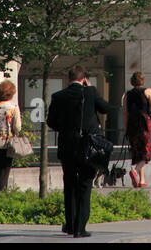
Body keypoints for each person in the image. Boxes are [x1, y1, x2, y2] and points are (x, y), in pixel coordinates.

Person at [47, 65, 109, 238]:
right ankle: (81, 227)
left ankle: (71, 225)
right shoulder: (90, 92)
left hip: (67, 146)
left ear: (68, 79)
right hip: (87, 146)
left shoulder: (58, 96)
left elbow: (51, 122)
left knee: (69, 185)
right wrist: (89, 88)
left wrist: (66, 129)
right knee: (85, 184)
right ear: (84, 79)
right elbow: (106, 108)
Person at [122, 71, 151, 189]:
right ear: (142, 80)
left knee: (137, 151)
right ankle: (135, 172)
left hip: (132, 125)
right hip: (144, 124)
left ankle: (141, 180)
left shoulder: (127, 94)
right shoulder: (148, 91)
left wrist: (125, 128)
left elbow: (125, 113)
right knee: (146, 152)